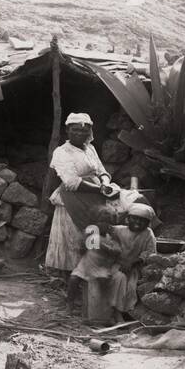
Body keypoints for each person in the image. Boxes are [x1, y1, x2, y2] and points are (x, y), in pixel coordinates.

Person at [46, 114, 118, 303]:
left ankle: (90, 278)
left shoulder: (90, 148)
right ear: (67, 130)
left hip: (96, 196)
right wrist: (100, 189)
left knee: (95, 233)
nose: (80, 133)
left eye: (84, 131)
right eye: (75, 129)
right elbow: (71, 182)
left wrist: (105, 182)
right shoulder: (62, 152)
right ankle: (71, 281)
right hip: (74, 198)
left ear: (90, 132)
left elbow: (101, 170)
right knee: (74, 236)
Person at [73, 202, 156, 323]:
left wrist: (133, 262)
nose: (138, 223)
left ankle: (119, 312)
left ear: (148, 223)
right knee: (114, 277)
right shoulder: (118, 230)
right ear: (128, 219)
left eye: (142, 221)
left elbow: (150, 252)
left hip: (134, 267)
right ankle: (109, 312)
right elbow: (100, 231)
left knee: (125, 281)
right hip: (115, 265)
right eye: (134, 219)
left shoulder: (148, 234)